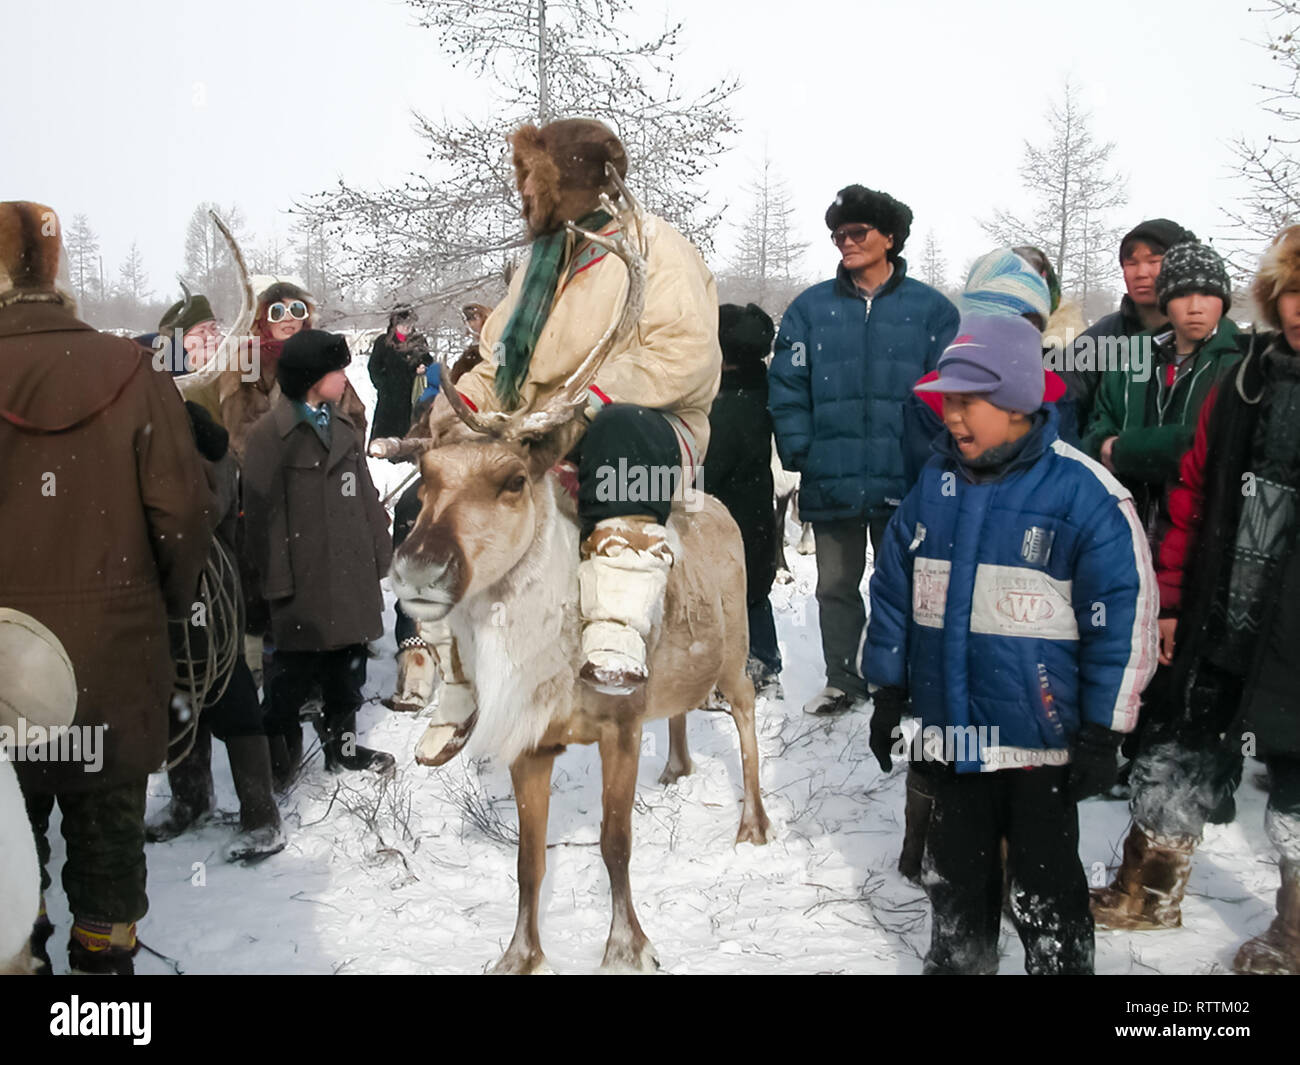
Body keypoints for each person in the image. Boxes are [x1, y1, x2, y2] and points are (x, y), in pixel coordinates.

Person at [404, 117, 721, 762]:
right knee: (444, 484)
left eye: (532, 180)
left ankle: (616, 628)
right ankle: (457, 674)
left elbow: (685, 355)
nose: (521, 193)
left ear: (571, 184)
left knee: (620, 441)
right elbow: (497, 362)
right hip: (538, 430)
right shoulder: (538, 263)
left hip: (649, 426)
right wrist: (459, 411)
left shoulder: (657, 249)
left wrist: (585, 405)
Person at [865, 314, 1159, 974]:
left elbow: (1123, 621)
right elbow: (893, 592)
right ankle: (958, 961)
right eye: (947, 402)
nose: (953, 418)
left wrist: (1103, 730)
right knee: (956, 881)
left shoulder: (1085, 495)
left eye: (969, 402)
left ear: (1021, 401)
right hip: (953, 735)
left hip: (1039, 745)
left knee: (1044, 889)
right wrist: (889, 690)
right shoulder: (932, 489)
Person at [0, 201, 213, 974]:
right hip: (112, 661)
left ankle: (23, 950)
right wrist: (161, 599)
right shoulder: (132, 370)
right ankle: (103, 993)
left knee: (6, 857)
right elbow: (185, 512)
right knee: (108, 847)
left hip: (1, 672)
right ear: (55, 275)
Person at [1092, 226, 1300, 974]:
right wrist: (1175, 600)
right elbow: (1190, 493)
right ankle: (1150, 892)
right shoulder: (1249, 380)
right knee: (1178, 741)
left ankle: (1295, 932)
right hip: (1222, 603)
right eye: (1292, 292)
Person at [769, 184, 959, 717]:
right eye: (837, 234)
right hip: (833, 472)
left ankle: (903, 680)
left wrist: (935, 457)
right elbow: (786, 384)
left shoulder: (932, 311)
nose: (845, 242)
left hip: (908, 475)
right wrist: (802, 450)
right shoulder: (810, 310)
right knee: (835, 584)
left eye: (857, 232)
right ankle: (842, 679)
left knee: (908, 581)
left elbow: (950, 390)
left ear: (890, 238)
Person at [242, 329, 395, 785]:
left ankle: (342, 751)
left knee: (347, 679)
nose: (345, 377)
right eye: (337, 370)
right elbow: (261, 519)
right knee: (288, 685)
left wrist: (378, 551)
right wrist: (277, 583)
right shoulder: (271, 435)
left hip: (349, 578)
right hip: (302, 585)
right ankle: (275, 764)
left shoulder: (343, 426)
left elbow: (366, 498)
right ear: (312, 378)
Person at [145, 401, 286, 863]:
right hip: (163, 596)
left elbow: (201, 513)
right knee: (179, 701)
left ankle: (261, 816)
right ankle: (190, 800)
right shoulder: (151, 442)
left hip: (211, 595)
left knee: (232, 697)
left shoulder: (210, 453)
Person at [1083, 240, 1241, 544]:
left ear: (1223, 300)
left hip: (1200, 538)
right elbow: (1096, 430)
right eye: (1182, 294)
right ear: (1166, 300)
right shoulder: (1134, 354)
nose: (1195, 307)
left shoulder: (1241, 364)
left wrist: (1122, 451)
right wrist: (1106, 444)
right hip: (1122, 528)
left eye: (1207, 294)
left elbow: (1208, 448)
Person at [707, 303, 782, 695]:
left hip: (725, 511)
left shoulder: (725, 403)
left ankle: (754, 665)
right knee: (754, 588)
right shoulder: (759, 388)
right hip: (755, 507)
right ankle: (764, 659)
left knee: (734, 592)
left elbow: (710, 464)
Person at [1062, 218, 1197, 428]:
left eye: (1154, 261)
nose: (1141, 273)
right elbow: (1060, 408)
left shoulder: (1212, 340)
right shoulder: (1100, 340)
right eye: (1131, 263)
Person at [219, 280, 368, 462]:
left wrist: (341, 454)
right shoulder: (247, 361)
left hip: (331, 471)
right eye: (277, 312)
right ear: (263, 318)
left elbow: (355, 415)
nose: (288, 318)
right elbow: (242, 432)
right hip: (276, 475)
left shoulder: (322, 356)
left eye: (297, 310)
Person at [368, 304, 430, 441]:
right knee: (384, 435)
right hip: (389, 396)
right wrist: (382, 385)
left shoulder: (418, 342)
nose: (407, 328)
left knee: (408, 432)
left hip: (411, 395)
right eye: (403, 324)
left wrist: (422, 368)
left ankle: (406, 456)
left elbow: (428, 361)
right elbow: (373, 366)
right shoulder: (383, 342)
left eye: (410, 324)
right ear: (395, 324)